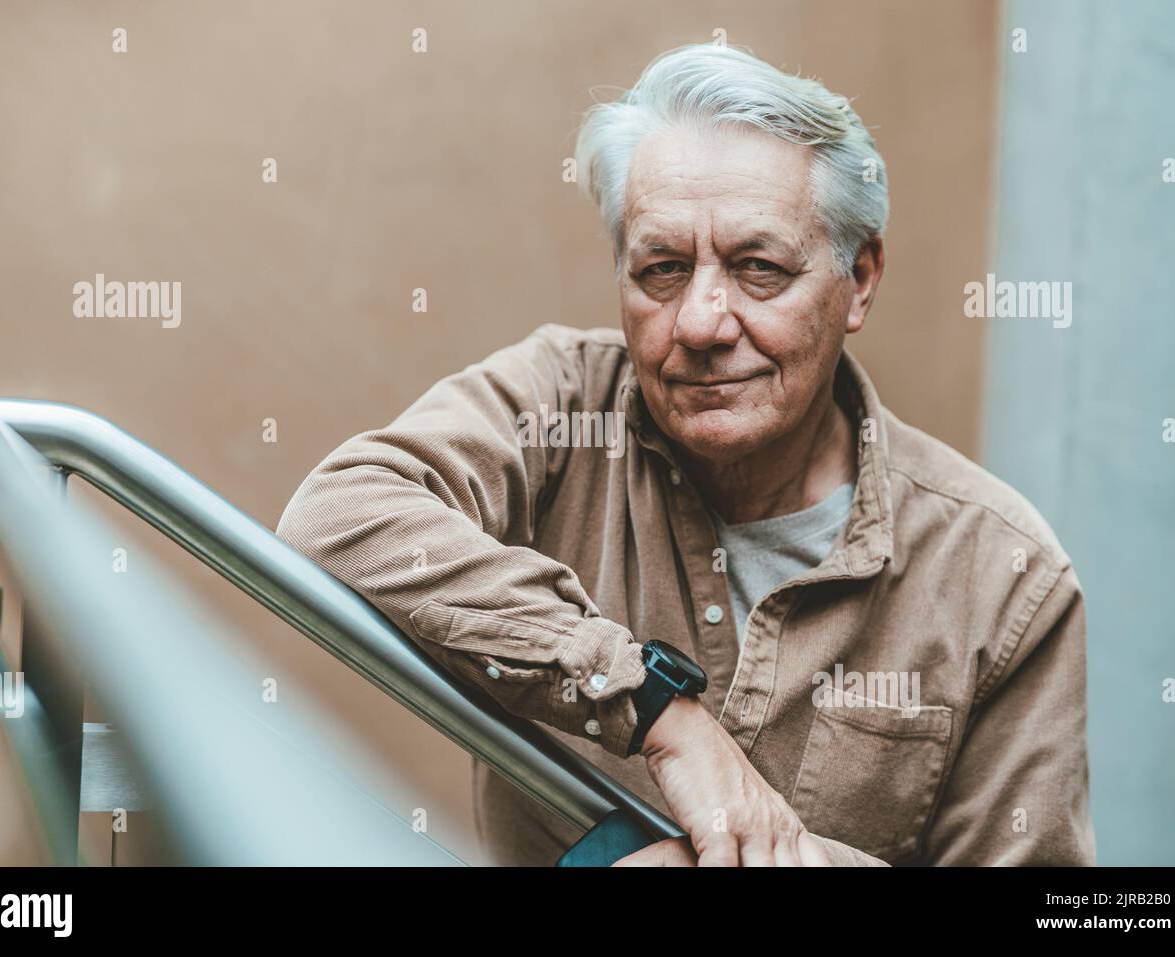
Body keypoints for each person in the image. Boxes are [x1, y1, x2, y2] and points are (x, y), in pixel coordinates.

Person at [277, 43, 1096, 867]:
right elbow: (335, 515)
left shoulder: (1003, 577)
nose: (701, 322)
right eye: (663, 269)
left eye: (759, 268)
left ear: (861, 279)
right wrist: (647, 703)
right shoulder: (560, 409)